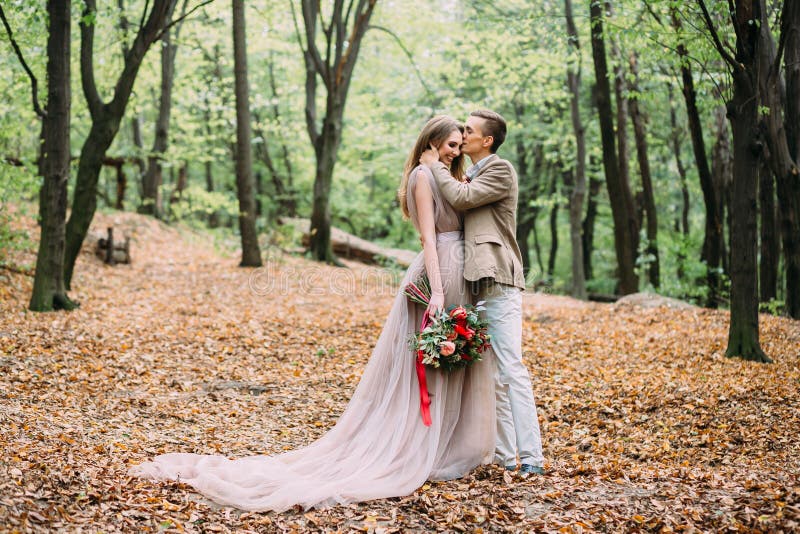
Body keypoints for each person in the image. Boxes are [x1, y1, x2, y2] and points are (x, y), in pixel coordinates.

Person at [129, 116, 496, 512]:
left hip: (461, 272)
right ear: (431, 142)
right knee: (431, 360)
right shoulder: (423, 177)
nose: (456, 150)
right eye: (450, 144)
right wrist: (438, 290)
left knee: (453, 355)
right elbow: (427, 236)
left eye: (459, 144)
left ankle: (446, 444)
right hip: (438, 273)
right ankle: (416, 446)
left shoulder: (450, 176)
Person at [420, 109, 545, 475]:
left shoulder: (500, 170)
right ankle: (506, 456)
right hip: (477, 282)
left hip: (500, 280)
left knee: (512, 368)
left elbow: (462, 198)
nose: (463, 134)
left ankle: (532, 457)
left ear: (487, 141)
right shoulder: (472, 173)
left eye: (469, 130)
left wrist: (435, 165)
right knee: (493, 376)